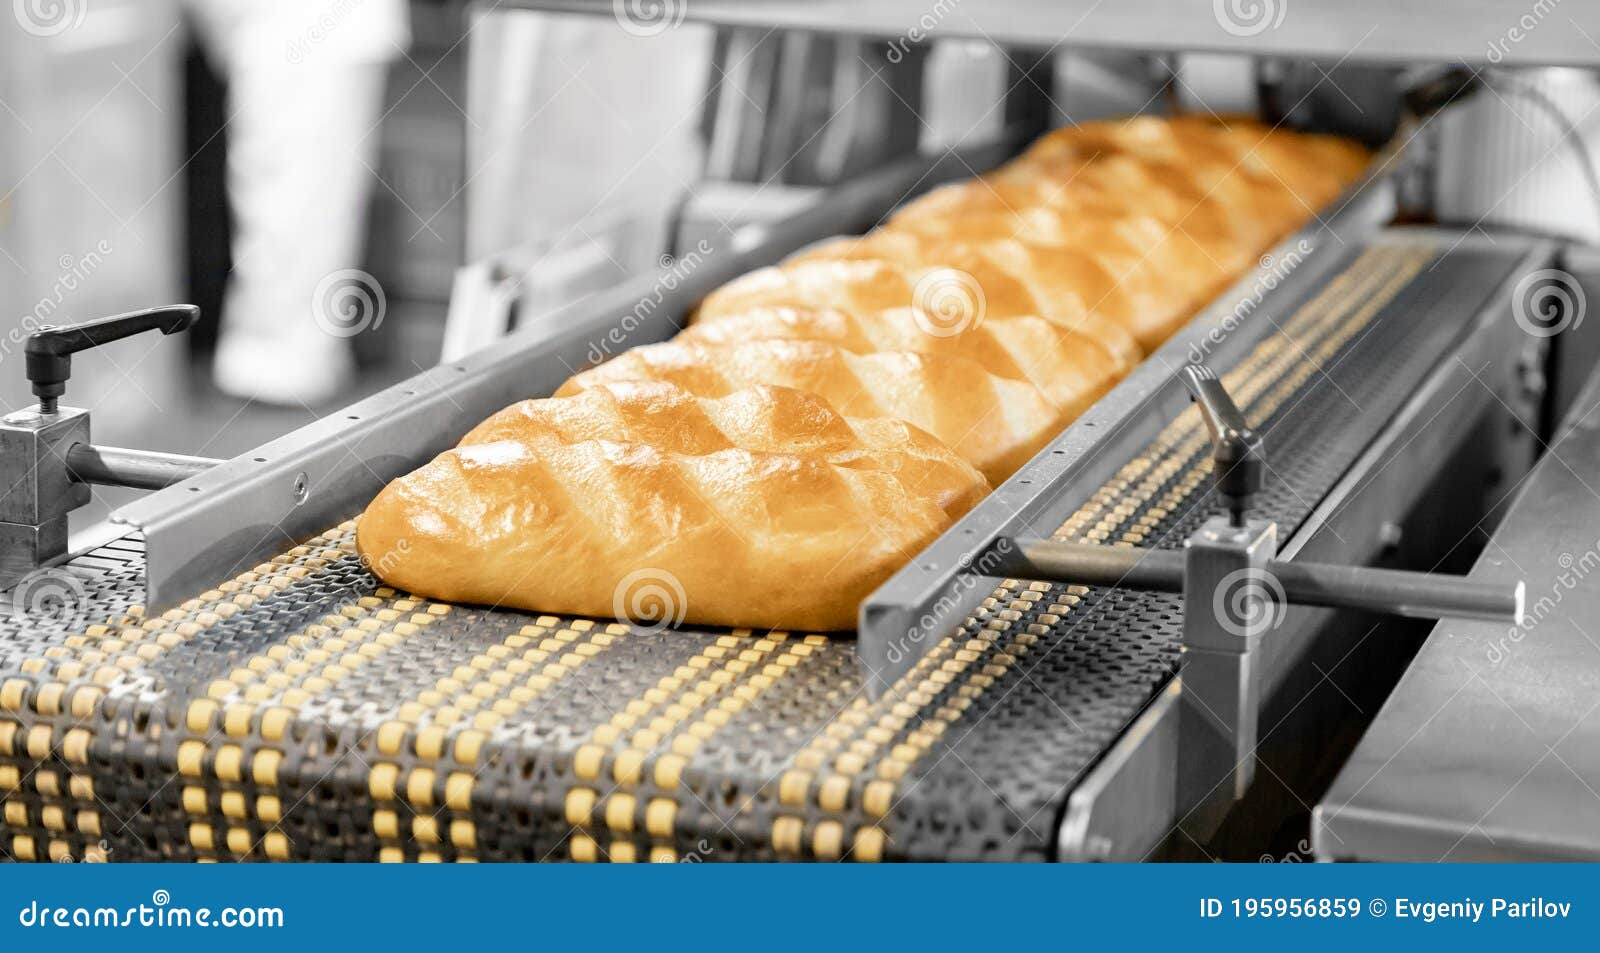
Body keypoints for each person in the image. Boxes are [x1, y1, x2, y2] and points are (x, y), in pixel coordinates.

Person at [184, 0, 410, 405]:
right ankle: (289, 357)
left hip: (299, 29)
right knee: (286, 193)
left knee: (293, 199)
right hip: (282, 31)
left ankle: (287, 363)